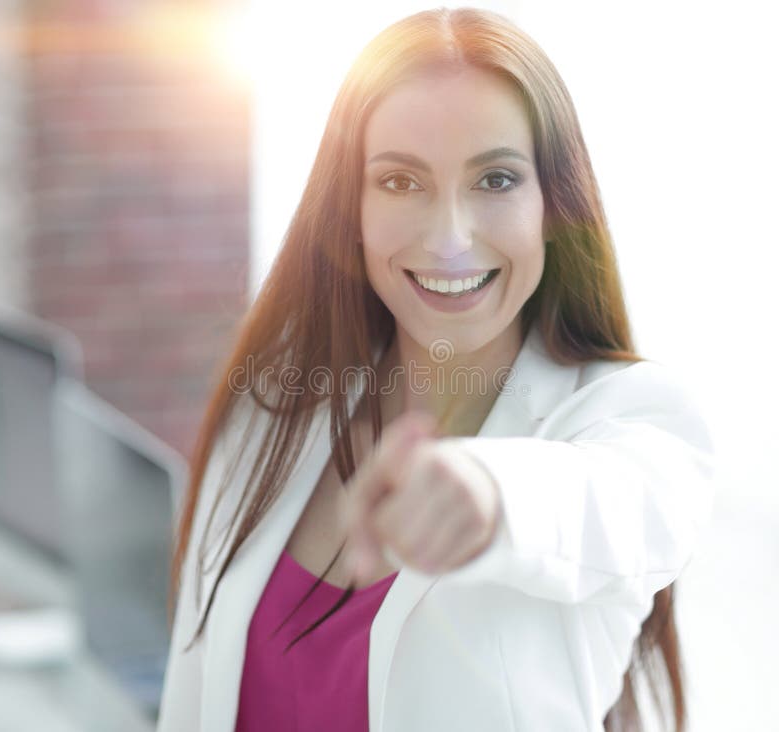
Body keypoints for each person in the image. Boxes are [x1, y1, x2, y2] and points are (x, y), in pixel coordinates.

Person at [156, 7, 715, 732]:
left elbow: (611, 504)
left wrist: (485, 493)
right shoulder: (272, 408)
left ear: (554, 204)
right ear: (348, 209)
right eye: (400, 182)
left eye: (496, 180)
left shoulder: (635, 417)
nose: (450, 239)